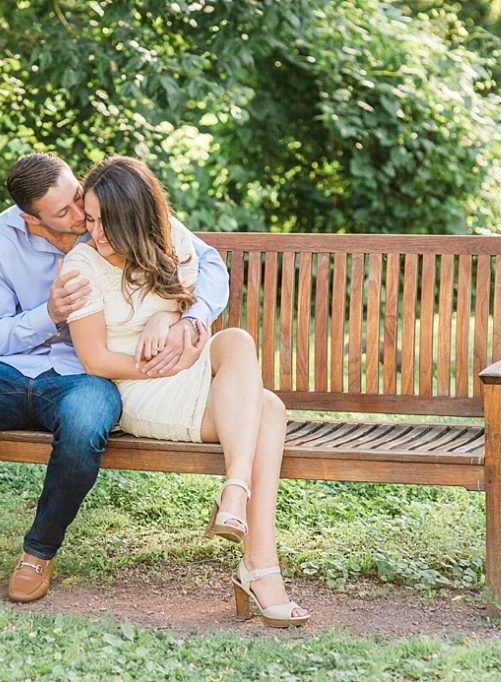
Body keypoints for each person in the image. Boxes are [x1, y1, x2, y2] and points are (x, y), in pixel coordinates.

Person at [0, 152, 230, 604]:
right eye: (66, 213)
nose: (82, 218)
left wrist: (186, 317)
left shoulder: (112, 215)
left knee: (86, 420)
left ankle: (37, 554)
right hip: (13, 371)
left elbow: (207, 264)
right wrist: (48, 314)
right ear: (31, 218)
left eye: (78, 201)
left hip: (87, 376)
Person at [62, 155, 310, 627]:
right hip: (138, 388)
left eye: (106, 223)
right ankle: (261, 567)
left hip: (188, 372)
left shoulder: (167, 234)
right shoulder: (80, 267)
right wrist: (164, 361)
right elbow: (94, 360)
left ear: (136, 220)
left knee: (238, 342)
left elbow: (198, 285)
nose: (95, 233)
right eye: (91, 220)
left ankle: (239, 503)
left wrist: (173, 316)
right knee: (268, 409)